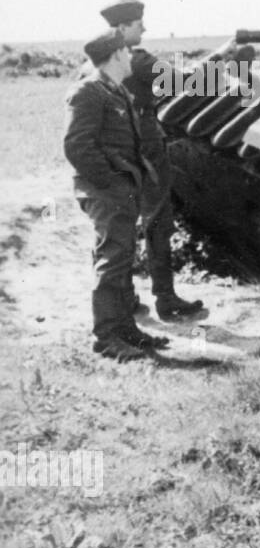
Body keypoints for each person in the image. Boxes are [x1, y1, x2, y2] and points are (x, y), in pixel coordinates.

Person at [100, 0, 220, 318]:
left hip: (113, 149)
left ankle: (122, 299)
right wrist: (223, 61)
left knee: (118, 223)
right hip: (146, 148)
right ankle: (165, 299)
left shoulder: (97, 62)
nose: (144, 28)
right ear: (122, 28)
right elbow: (185, 84)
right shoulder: (137, 59)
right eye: (138, 24)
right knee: (157, 220)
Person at [64, 31, 172, 360]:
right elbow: (77, 146)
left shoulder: (116, 90)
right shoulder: (88, 91)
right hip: (107, 191)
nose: (131, 58)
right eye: (126, 53)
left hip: (122, 190)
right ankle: (107, 337)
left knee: (122, 260)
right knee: (112, 262)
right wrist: (111, 183)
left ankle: (127, 330)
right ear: (115, 56)